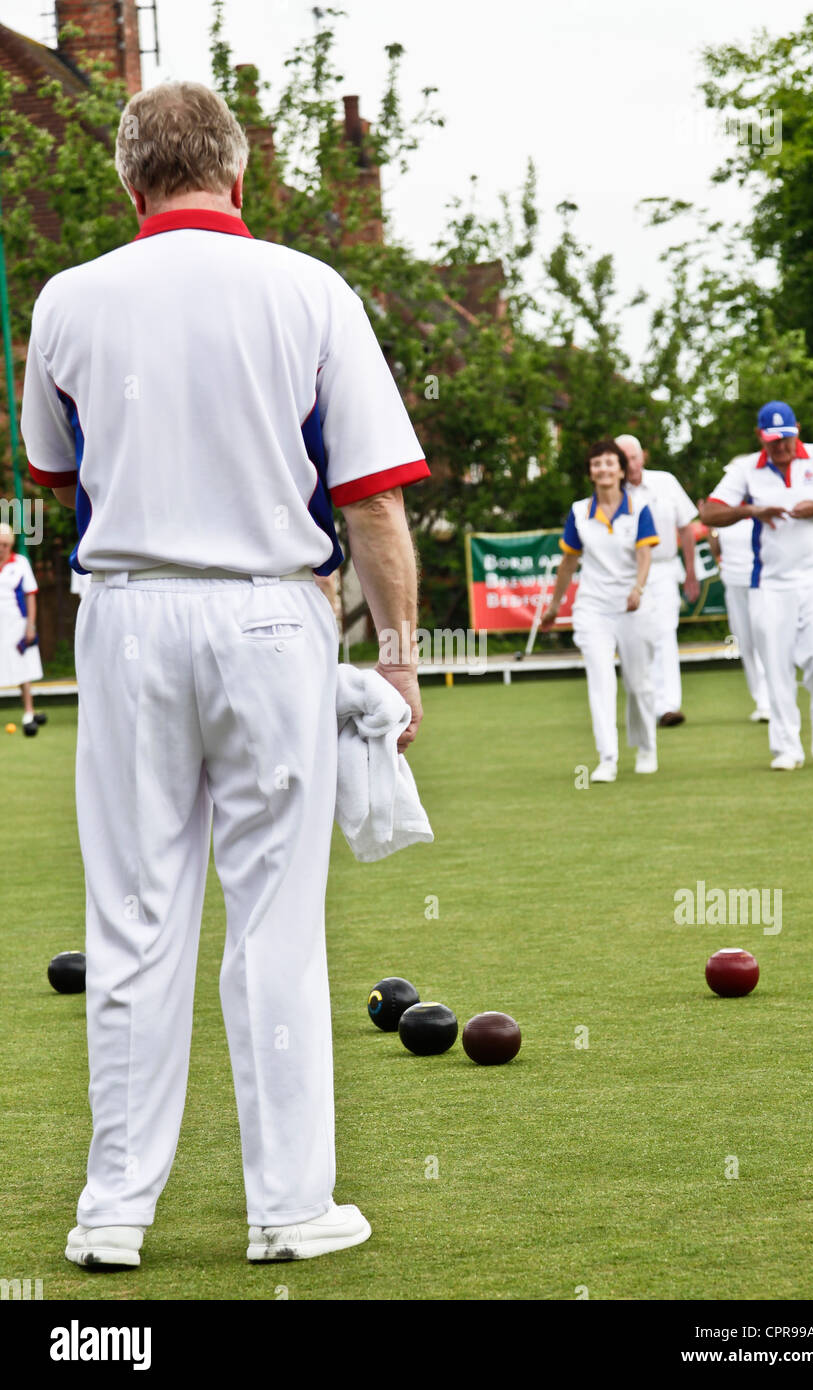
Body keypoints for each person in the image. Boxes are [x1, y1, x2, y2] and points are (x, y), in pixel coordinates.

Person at [21, 81, 429, 1269]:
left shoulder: (66, 299)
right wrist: (399, 662)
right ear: (240, 177)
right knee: (275, 925)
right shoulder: (310, 288)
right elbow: (373, 504)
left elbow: (57, 474)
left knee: (133, 919)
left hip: (129, 616)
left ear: (127, 182)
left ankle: (112, 1213)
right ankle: (289, 1208)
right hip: (269, 618)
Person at [701, 401, 813, 770]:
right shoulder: (747, 469)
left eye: (786, 439)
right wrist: (751, 510)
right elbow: (709, 513)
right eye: (772, 441)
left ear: (797, 429)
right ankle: (786, 747)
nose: (780, 448)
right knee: (776, 665)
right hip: (768, 583)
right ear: (759, 437)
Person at [540, 439, 659, 782]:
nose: (603, 469)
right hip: (593, 608)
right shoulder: (579, 512)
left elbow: (645, 555)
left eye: (609, 463)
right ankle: (607, 758)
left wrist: (637, 588)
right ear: (590, 472)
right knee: (601, 681)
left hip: (634, 607)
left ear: (622, 470)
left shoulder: (640, 508)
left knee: (638, 684)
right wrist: (553, 606)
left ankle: (647, 747)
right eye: (596, 464)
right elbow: (568, 562)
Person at [615, 434, 699, 727]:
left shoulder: (665, 481)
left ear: (643, 457)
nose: (631, 464)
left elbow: (686, 528)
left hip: (663, 568)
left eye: (634, 457)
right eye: (624, 459)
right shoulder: (611, 493)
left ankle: (668, 706)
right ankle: (645, 703)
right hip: (628, 572)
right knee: (638, 637)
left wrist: (691, 573)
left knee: (665, 633)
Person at [705, 471, 770, 721]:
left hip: (760, 582)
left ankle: (773, 696)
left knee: (765, 637)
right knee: (745, 641)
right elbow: (716, 549)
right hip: (733, 583)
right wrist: (712, 530)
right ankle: (761, 700)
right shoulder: (724, 514)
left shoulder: (761, 507)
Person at [0, 522, 46, 736]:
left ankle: (29, 712)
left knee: (22, 670)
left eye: (5, 544)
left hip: (17, 624)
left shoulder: (20, 563)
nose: (2, 548)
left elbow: (30, 595)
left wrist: (31, 626)